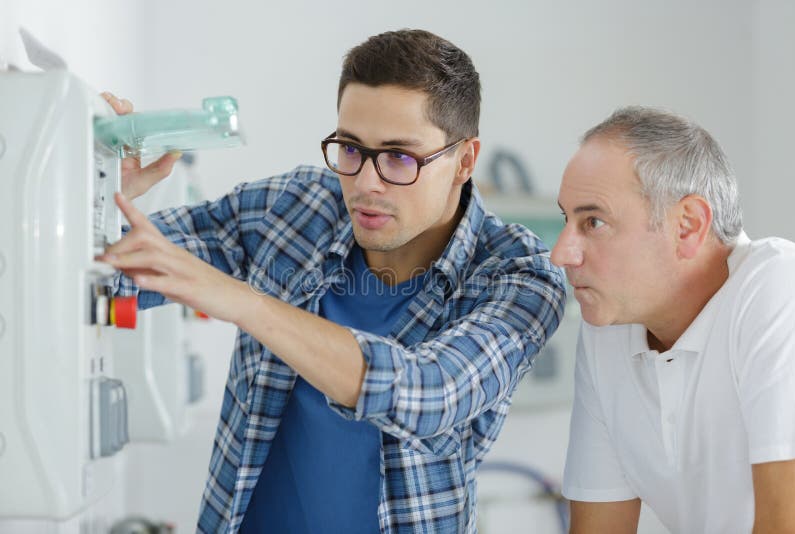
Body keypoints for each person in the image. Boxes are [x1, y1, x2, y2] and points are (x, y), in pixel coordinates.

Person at [99, 29, 565, 533]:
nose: (365, 183)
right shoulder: (294, 209)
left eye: (399, 158)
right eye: (350, 149)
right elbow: (109, 273)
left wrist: (246, 304)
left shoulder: (520, 276)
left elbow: (428, 394)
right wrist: (103, 192)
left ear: (465, 161)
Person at [552, 106, 795, 533]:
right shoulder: (609, 327)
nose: (561, 253)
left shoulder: (780, 285)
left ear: (687, 225)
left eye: (593, 221)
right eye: (566, 220)